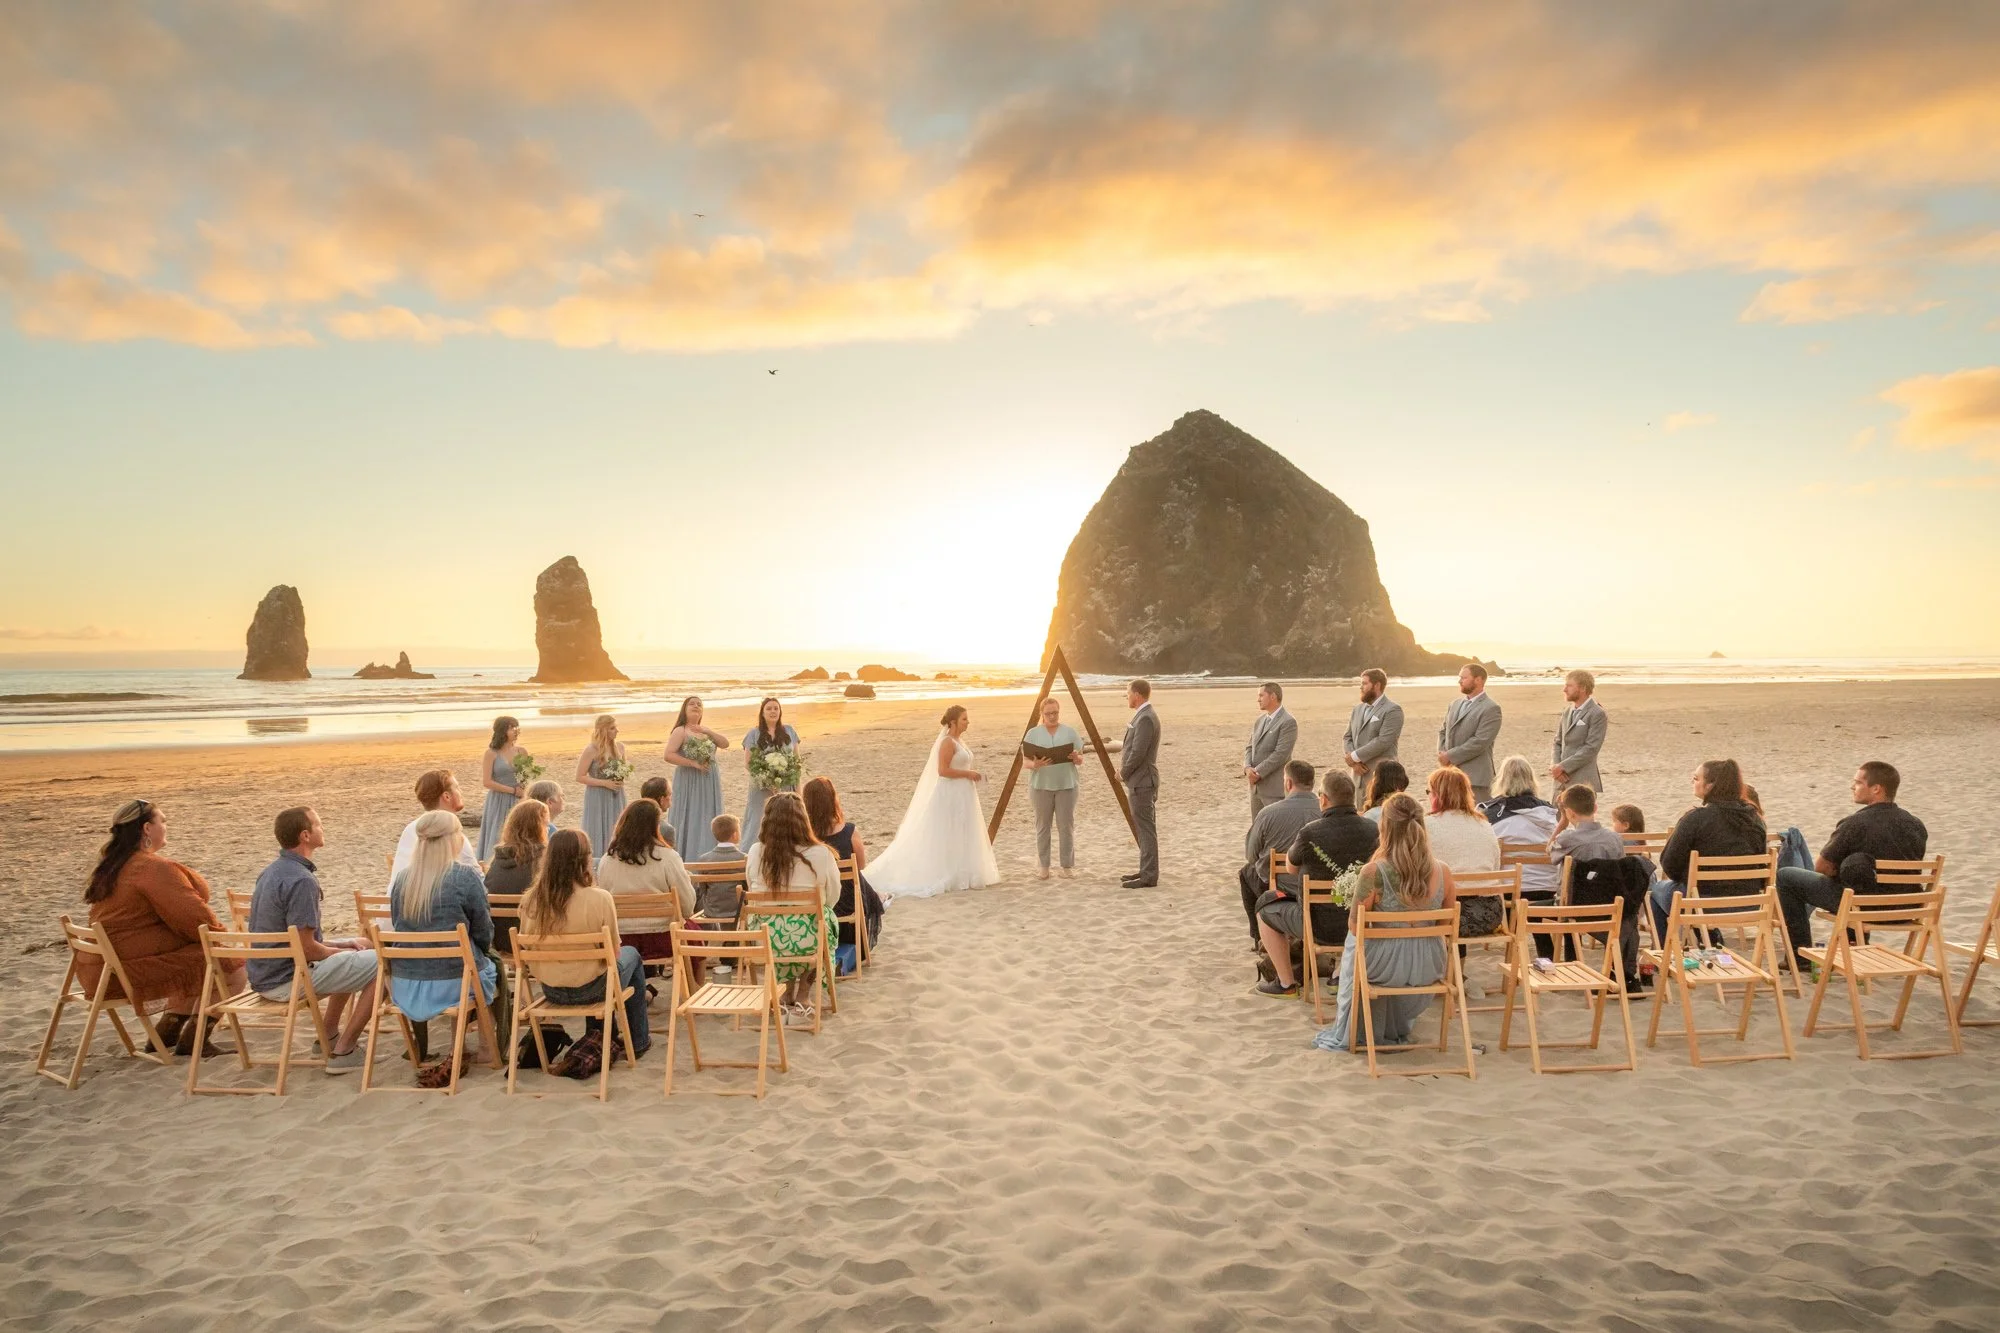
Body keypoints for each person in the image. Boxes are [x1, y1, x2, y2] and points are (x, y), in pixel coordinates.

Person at [80, 799, 241, 1057]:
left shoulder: (114, 865)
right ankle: (195, 1040)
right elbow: (193, 915)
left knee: (195, 959)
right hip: (126, 971)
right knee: (231, 967)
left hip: (100, 967)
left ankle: (166, 1035)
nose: (166, 826)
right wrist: (219, 936)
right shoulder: (150, 867)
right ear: (147, 828)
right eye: (163, 821)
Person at [1313, 794, 1457, 1053]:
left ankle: (1358, 1026)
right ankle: (1390, 1024)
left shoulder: (1373, 872)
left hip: (1383, 968)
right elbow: (1445, 921)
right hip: (1428, 965)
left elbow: (1355, 925)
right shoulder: (1444, 871)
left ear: (1386, 828)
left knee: (1354, 941)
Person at [246, 807, 376, 1073]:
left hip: (265, 973)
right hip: (287, 979)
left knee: (361, 944)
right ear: (305, 835)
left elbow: (300, 943)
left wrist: (343, 946)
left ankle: (328, 1035)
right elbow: (307, 950)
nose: (322, 828)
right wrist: (340, 952)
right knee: (384, 963)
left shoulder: (270, 872)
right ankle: (345, 1050)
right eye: (318, 825)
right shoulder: (302, 880)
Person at [1776, 761, 1928, 968]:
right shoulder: (1916, 824)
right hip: (1908, 907)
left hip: (1863, 907)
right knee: (1856, 879)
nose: (1852, 787)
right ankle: (1853, 946)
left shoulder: (1855, 823)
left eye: (1857, 783)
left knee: (1787, 876)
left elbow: (1821, 867)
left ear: (1876, 789)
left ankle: (1799, 958)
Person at [390, 810, 503, 1085]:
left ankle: (459, 1049)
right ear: (452, 839)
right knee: (485, 969)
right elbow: (483, 930)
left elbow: (397, 924)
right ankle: (487, 1049)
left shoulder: (402, 880)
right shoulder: (464, 877)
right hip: (453, 985)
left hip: (405, 985)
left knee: (467, 965)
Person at [522, 829, 650, 1061]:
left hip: (552, 989)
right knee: (629, 956)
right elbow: (613, 953)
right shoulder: (599, 899)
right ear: (584, 860)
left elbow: (527, 951)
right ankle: (638, 1040)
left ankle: (603, 1036)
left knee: (599, 968)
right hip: (594, 990)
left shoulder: (531, 900)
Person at [1252, 771, 1379, 996]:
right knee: (1350, 897)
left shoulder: (1311, 832)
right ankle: (1339, 973)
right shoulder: (1372, 829)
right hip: (1359, 922)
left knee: (1264, 908)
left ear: (1324, 799)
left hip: (1316, 925)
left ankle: (1286, 984)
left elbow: (1291, 868)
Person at [865, 705, 1002, 896]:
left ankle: (963, 872)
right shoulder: (947, 742)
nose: (968, 722)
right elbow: (943, 770)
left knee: (963, 829)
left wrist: (971, 775)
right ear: (953, 722)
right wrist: (968, 773)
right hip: (950, 792)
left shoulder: (960, 741)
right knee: (948, 830)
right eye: (964, 719)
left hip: (964, 792)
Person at [746, 792, 843, 1025]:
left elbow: (752, 890)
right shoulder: (821, 854)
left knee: (781, 922)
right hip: (807, 938)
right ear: (803, 820)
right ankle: (803, 995)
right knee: (823, 920)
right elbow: (833, 896)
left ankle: (785, 991)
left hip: (766, 939)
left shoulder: (756, 851)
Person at [1648, 759, 1768, 940]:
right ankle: (1710, 941)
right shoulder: (1754, 819)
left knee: (1657, 891)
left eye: (1696, 778)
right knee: (1690, 892)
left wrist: (1689, 875)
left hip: (1702, 904)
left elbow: (1669, 865)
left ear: (1711, 785)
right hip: (1750, 904)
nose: (1692, 782)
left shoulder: (1696, 818)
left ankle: (1669, 952)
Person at [595, 798, 695, 962]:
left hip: (622, 938)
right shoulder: (668, 857)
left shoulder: (608, 859)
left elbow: (604, 902)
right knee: (695, 937)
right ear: (656, 826)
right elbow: (687, 906)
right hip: (663, 937)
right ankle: (692, 980)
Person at [1237, 759, 1321, 946]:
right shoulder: (1325, 811)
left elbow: (1251, 855)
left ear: (1288, 783)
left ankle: (1260, 939)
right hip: (1319, 885)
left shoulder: (1268, 813)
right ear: (1312, 783)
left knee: (1246, 873)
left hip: (1280, 886)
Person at [803, 776, 885, 954]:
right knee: (856, 876)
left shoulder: (804, 836)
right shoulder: (849, 831)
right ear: (832, 800)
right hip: (849, 912)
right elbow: (861, 865)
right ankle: (879, 898)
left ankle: (880, 896)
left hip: (817, 911)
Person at [1424, 766, 1503, 935]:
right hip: (1490, 913)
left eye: (1429, 792)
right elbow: (1496, 865)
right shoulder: (1483, 824)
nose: (1428, 796)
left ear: (1438, 795)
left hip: (1449, 914)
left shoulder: (1428, 825)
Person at [388, 769, 481, 891]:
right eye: (457, 788)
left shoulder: (411, 829)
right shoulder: (452, 834)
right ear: (447, 796)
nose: (460, 792)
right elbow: (478, 879)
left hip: (400, 901)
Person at [1022, 695, 1083, 879]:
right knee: (1042, 826)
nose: (1052, 716)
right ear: (1042, 713)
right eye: (1048, 713)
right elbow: (1025, 762)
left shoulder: (1070, 732)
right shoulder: (1033, 733)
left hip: (1066, 785)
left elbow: (1080, 758)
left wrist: (1076, 758)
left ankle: (1067, 866)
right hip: (1041, 786)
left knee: (1066, 826)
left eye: (1055, 713)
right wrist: (1035, 764)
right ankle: (1044, 866)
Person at [665, 696, 730, 860]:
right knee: (690, 815)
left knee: (707, 814)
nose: (696, 706)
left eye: (699, 704)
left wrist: (707, 731)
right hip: (689, 780)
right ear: (684, 709)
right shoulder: (680, 730)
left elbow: (725, 743)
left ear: (702, 711)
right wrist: (692, 763)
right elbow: (668, 755)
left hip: (708, 780)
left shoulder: (706, 731)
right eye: (691, 704)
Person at [1436, 663, 1502, 800]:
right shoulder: (1454, 704)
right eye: (1460, 677)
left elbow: (1480, 742)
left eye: (1464, 678)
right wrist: (1442, 754)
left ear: (1478, 680)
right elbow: (1443, 731)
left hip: (1476, 778)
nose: (1459, 681)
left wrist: (1450, 756)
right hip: (1450, 775)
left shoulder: (1491, 708)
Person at [741, 696, 801, 846]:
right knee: (758, 820)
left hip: (786, 784)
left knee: (786, 820)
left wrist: (798, 789)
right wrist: (768, 780)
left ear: (780, 711)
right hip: (761, 787)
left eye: (776, 708)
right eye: (769, 708)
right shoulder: (753, 733)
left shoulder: (789, 731)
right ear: (762, 713)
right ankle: (753, 852)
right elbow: (748, 763)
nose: (773, 711)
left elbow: (796, 762)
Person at [1120, 680, 1161, 887]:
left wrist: (1123, 773)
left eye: (1128, 693)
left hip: (1142, 781)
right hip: (1141, 780)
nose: (1126, 697)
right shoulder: (1143, 715)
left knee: (1146, 829)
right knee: (1143, 827)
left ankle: (1149, 876)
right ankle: (1146, 869)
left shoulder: (1145, 718)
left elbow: (1138, 752)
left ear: (1137, 694)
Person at [1550, 785, 1625, 885]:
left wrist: (1563, 821)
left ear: (1570, 813)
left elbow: (1549, 851)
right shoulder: (1615, 838)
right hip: (1609, 893)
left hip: (1575, 894)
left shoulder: (1567, 838)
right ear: (1595, 808)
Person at [1243, 682, 1299, 816]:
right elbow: (1250, 747)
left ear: (1273, 696)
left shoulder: (1288, 722)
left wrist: (1257, 772)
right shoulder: (1260, 721)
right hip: (1256, 789)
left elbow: (1281, 754)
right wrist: (1247, 768)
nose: (1258, 699)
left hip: (1274, 790)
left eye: (1261, 695)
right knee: (1258, 826)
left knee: (1276, 826)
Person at [576, 714, 628, 856]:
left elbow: (623, 770)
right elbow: (579, 776)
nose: (617, 731)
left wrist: (621, 778)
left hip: (617, 794)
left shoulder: (620, 748)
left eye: (616, 727)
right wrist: (604, 783)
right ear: (603, 730)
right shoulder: (591, 750)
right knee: (598, 827)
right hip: (597, 795)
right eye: (612, 728)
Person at [1343, 669, 1404, 788]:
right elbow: (1347, 737)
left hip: (1382, 778)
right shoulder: (1357, 709)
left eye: (1365, 683)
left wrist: (1354, 757)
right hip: (1357, 776)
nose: (1361, 687)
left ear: (1377, 685)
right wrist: (1354, 763)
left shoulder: (1393, 710)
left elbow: (1384, 741)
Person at [1550, 669, 1608, 793]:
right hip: (1560, 781)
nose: (1564, 689)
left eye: (1569, 686)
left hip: (1583, 781)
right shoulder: (1567, 711)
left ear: (1583, 688)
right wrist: (1556, 767)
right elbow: (1557, 742)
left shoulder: (1597, 713)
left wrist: (1563, 767)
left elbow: (1591, 748)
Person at [477, 716, 524, 862]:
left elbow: (526, 775)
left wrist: (523, 788)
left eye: (516, 727)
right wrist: (512, 791)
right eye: (511, 728)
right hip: (498, 799)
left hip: (519, 798)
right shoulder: (491, 753)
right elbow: (487, 782)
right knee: (497, 832)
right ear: (502, 730)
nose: (515, 731)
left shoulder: (521, 751)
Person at [482, 800, 550, 896]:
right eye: (546, 825)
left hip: (498, 905)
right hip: (529, 906)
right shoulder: (544, 858)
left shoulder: (498, 859)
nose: (548, 830)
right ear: (538, 828)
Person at [1611, 803, 1655, 881]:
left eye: (1614, 821)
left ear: (1626, 825)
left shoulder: (1621, 841)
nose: (1612, 824)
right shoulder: (1640, 841)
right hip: (1649, 881)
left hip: (1633, 884)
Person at [639, 776, 676, 847]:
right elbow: (670, 853)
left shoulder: (629, 822)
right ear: (662, 799)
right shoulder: (667, 829)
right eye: (670, 794)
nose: (671, 798)